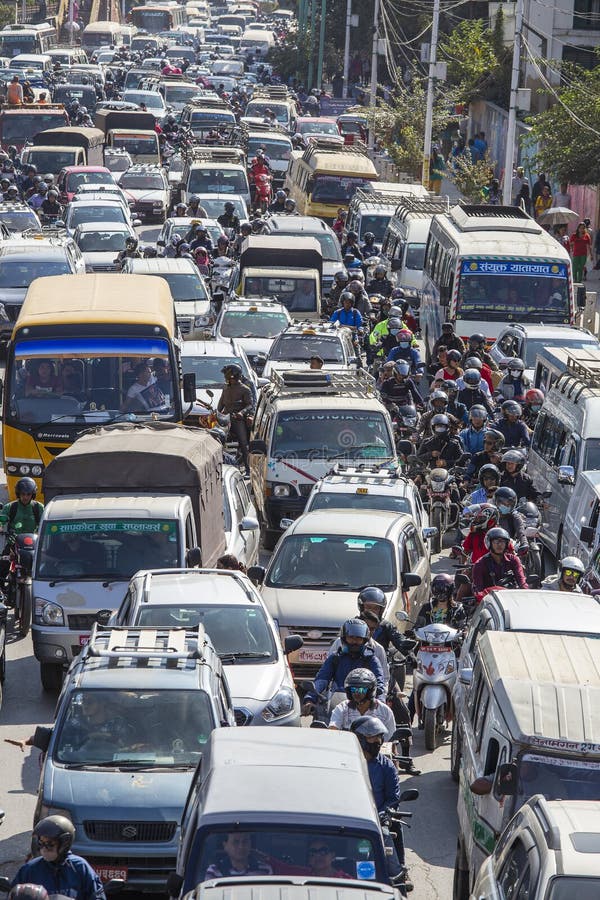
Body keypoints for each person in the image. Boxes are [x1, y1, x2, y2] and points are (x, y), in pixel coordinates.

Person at [350, 717, 408, 886]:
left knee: (388, 834)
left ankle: (399, 876)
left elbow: (393, 798)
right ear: (359, 738)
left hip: (377, 822)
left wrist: (382, 815)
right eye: (371, 737)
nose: (377, 741)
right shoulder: (345, 762)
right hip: (349, 820)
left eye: (379, 737)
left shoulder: (386, 766)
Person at [11, 815, 105, 900]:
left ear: (64, 843)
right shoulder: (29, 870)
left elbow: (97, 896)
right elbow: (14, 894)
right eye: (41, 843)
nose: (44, 848)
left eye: (49, 844)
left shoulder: (80, 868)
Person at [302, 619, 385, 714]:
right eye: (351, 637)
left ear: (364, 640)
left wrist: (380, 703)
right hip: (336, 707)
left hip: (364, 708)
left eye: (358, 638)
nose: (354, 641)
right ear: (344, 638)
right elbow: (322, 679)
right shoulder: (335, 658)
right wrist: (310, 699)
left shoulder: (372, 660)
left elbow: (379, 684)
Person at [329, 668, 395, 738]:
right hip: (348, 748)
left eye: (361, 690)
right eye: (353, 689)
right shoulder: (341, 708)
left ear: (370, 691)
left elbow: (391, 741)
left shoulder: (385, 711)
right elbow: (333, 732)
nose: (356, 693)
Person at [217, 364, 254, 475]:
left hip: (237, 420)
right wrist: (217, 413)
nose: (225, 377)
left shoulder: (245, 389)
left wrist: (241, 413)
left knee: (244, 444)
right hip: (225, 420)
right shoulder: (226, 388)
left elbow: (250, 405)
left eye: (226, 375)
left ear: (232, 376)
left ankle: (248, 470)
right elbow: (220, 404)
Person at [471, 527, 528, 597]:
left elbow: (522, 582)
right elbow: (478, 591)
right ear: (489, 543)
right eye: (496, 541)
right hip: (490, 602)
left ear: (506, 544)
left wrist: (527, 593)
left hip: (512, 597)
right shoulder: (480, 564)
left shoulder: (514, 560)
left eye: (502, 541)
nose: (499, 544)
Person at [204, 833, 273, 879]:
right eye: (236, 842)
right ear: (225, 846)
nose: (241, 847)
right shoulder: (214, 871)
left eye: (245, 841)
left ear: (250, 844)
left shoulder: (265, 869)